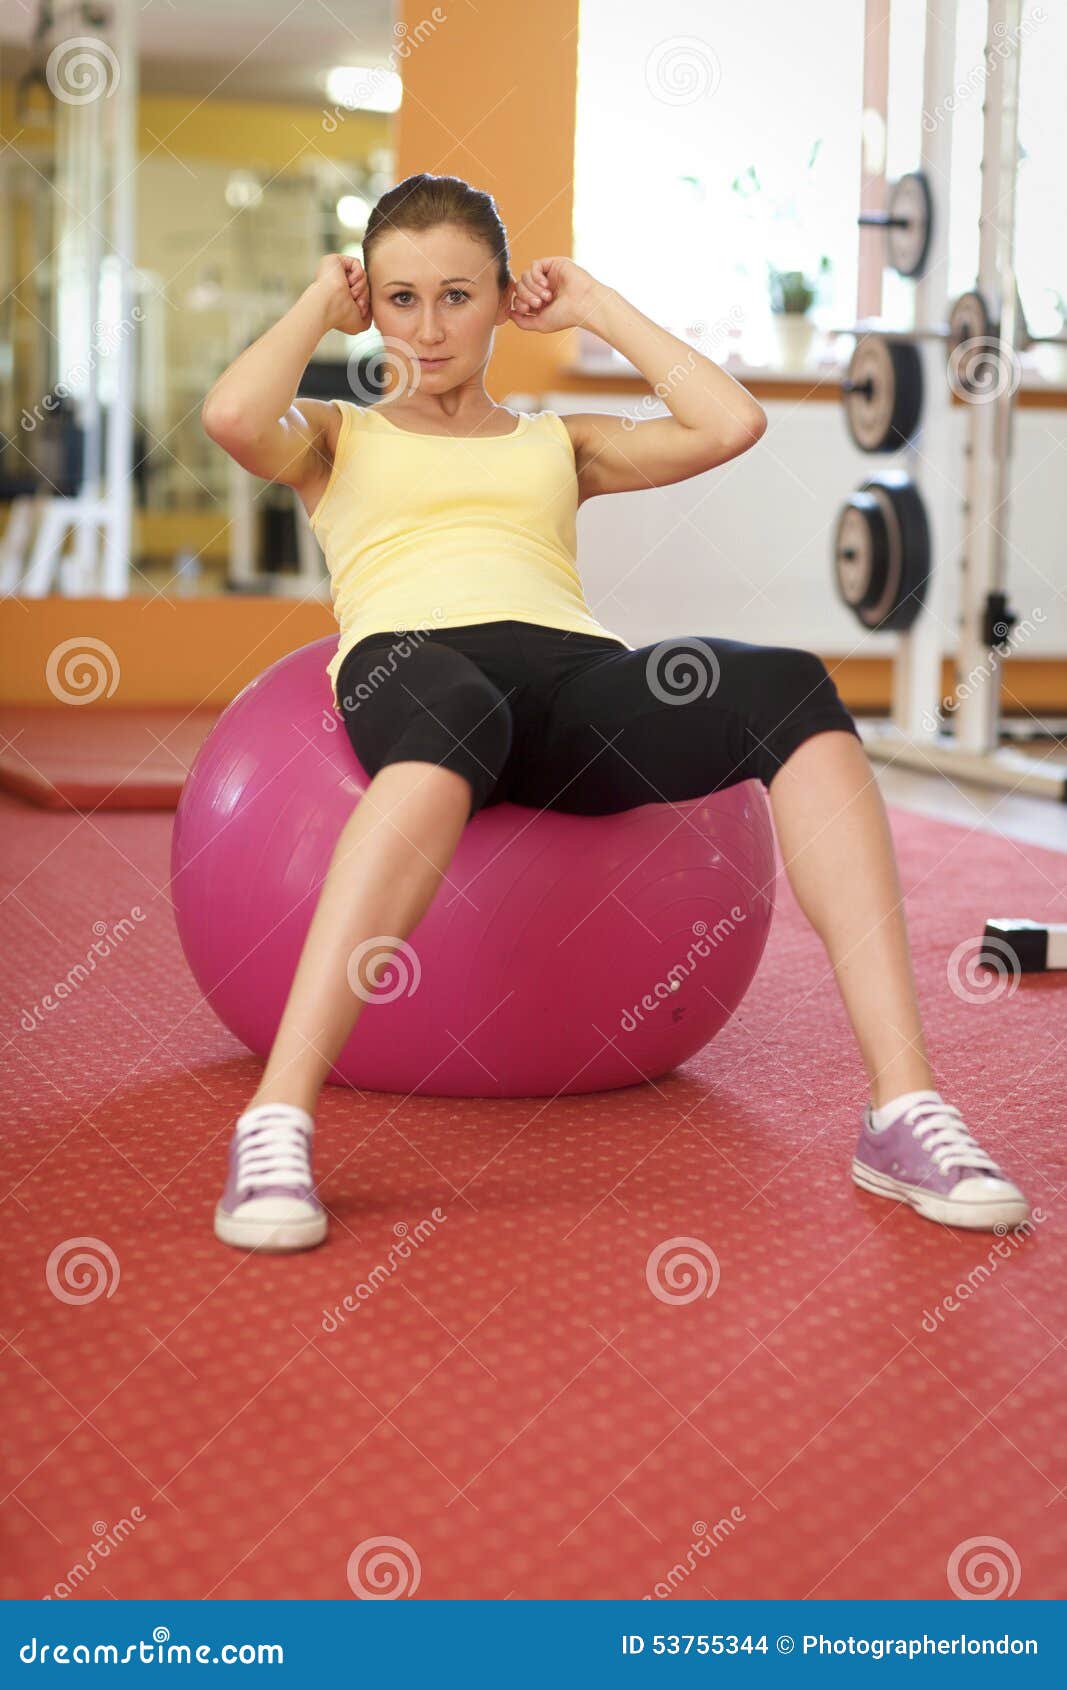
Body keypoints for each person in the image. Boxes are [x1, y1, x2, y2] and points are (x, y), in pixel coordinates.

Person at [200, 172, 1029, 1254]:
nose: (430, 325)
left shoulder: (558, 439)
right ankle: (277, 1118)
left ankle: (901, 1108)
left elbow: (729, 420)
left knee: (788, 684)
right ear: (372, 305)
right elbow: (228, 414)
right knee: (454, 711)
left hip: (566, 679)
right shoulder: (338, 436)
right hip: (408, 666)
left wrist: (595, 305)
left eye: (458, 294)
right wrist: (317, 298)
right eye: (400, 298)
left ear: (502, 297)